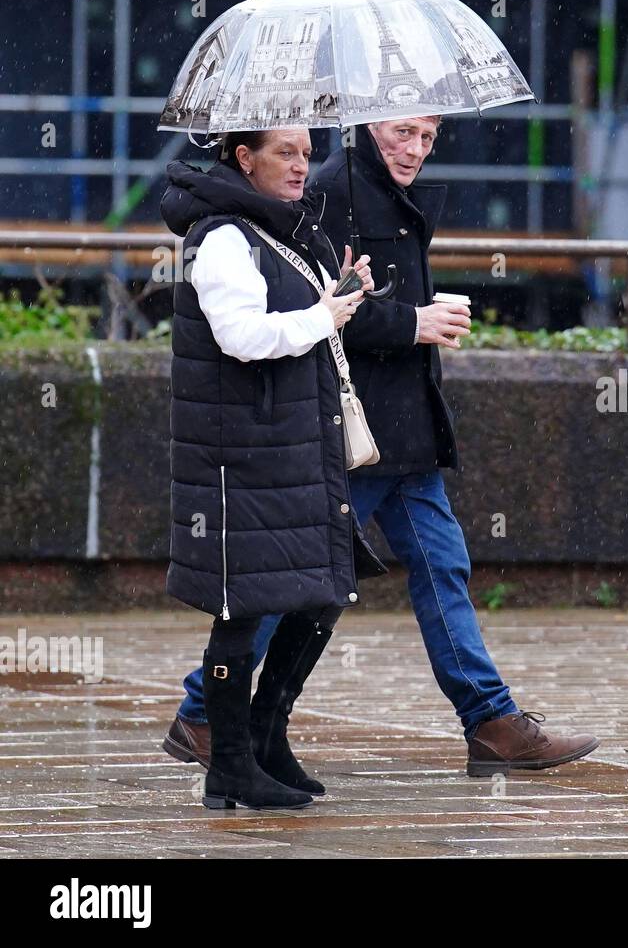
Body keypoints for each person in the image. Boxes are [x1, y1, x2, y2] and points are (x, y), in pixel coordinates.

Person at [163, 117, 599, 778]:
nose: (415, 149)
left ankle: (489, 719)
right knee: (300, 582)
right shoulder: (329, 189)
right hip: (354, 431)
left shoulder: (380, 193)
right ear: (368, 124)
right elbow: (317, 311)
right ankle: (203, 711)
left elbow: (340, 299)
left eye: (428, 137)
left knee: (436, 568)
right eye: (403, 133)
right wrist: (413, 322)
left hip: (403, 431)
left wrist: (398, 312)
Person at [160, 127, 385, 808]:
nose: (301, 165)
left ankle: (265, 733)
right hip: (242, 456)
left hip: (291, 447)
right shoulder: (224, 237)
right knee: (240, 608)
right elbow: (244, 336)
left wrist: (343, 293)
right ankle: (227, 764)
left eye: (307, 153)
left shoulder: (286, 230)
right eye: (284, 152)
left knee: (323, 590)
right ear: (242, 157)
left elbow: (308, 320)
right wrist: (322, 313)